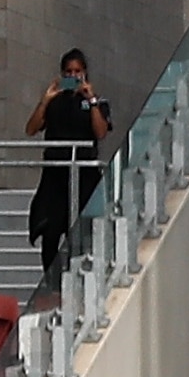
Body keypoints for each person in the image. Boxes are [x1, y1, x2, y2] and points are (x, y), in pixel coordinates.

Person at [25, 51, 113, 279]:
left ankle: (81, 279)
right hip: (56, 175)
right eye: (68, 72)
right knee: (50, 231)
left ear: (85, 73)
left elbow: (101, 132)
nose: (73, 76)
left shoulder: (97, 101)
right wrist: (45, 100)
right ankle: (52, 283)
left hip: (84, 174)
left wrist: (90, 99)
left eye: (77, 72)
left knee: (82, 233)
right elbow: (31, 129)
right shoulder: (53, 101)